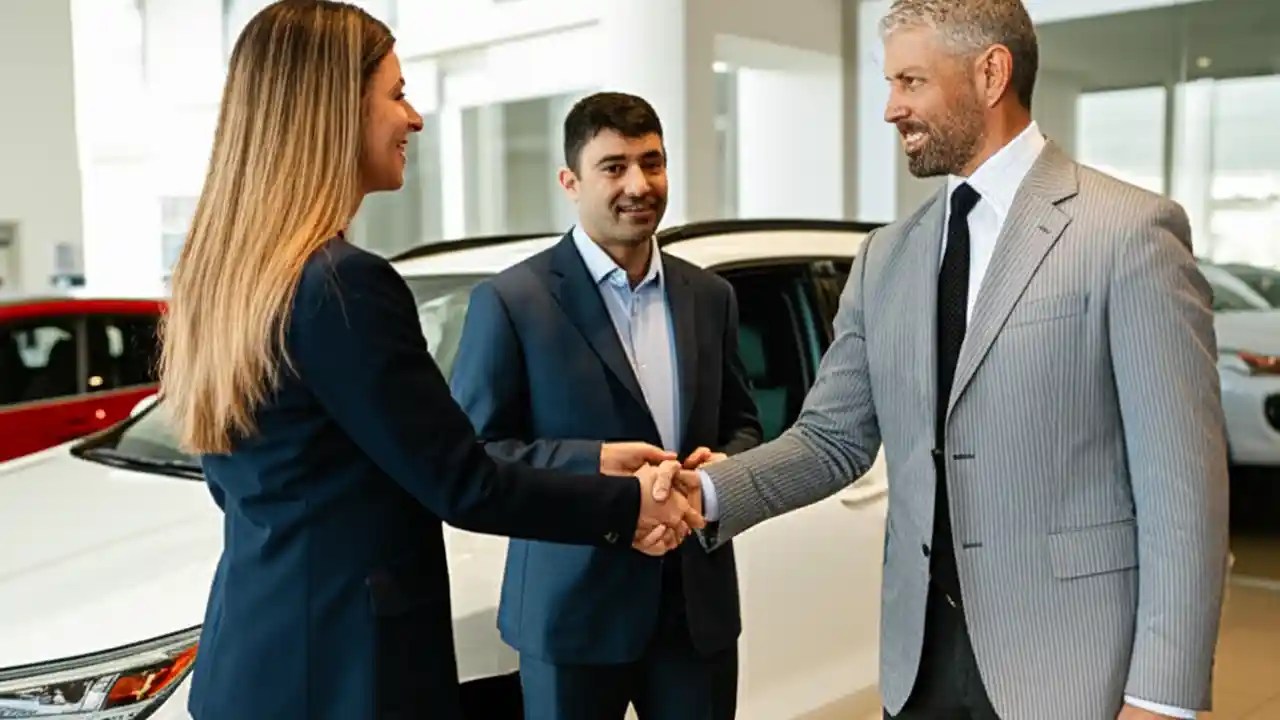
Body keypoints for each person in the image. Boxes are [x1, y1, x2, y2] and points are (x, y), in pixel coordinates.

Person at [675, 1, 1231, 719]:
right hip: (920, 669)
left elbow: (1183, 485)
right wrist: (706, 492)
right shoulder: (887, 256)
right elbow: (831, 439)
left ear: (990, 73)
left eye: (911, 82)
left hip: (1071, 669)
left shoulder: (1128, 233)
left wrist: (1162, 693)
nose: (890, 109)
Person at [157, 4, 702, 719]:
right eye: (395, 94)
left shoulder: (222, 275)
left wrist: (592, 463)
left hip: (256, 659)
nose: (413, 118)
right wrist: (629, 505)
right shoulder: (340, 284)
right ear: (331, 109)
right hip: (345, 673)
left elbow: (278, 478)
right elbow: (461, 482)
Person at [449, 92, 762, 720]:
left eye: (653, 163)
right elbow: (479, 454)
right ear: (571, 181)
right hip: (571, 612)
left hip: (692, 609)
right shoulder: (511, 302)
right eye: (614, 167)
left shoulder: (710, 297)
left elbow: (745, 424)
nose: (639, 185)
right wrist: (597, 464)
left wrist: (722, 467)